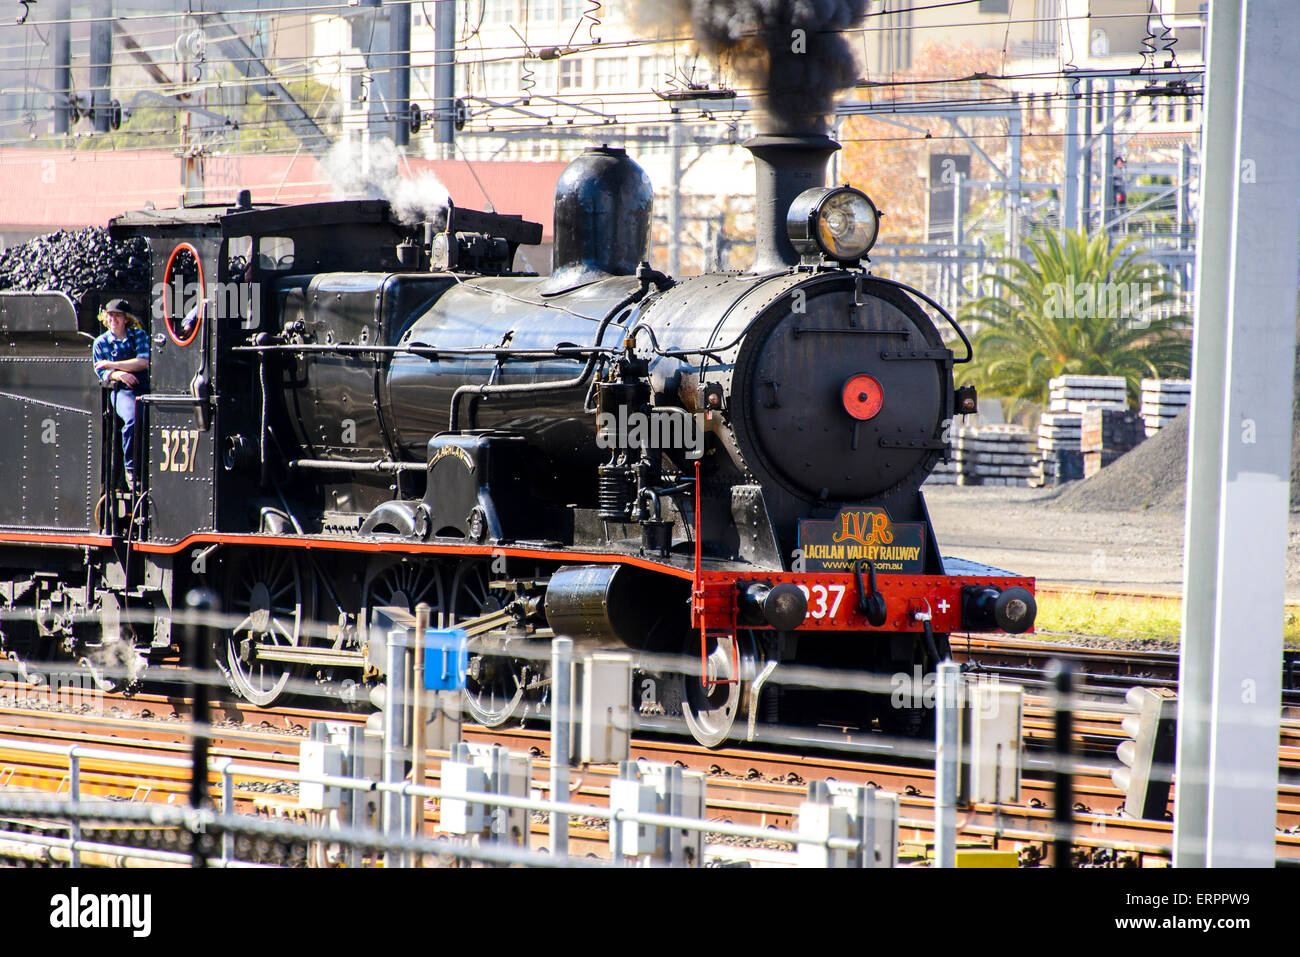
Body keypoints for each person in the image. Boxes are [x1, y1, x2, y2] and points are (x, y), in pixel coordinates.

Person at [92, 298, 150, 489]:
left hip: (144, 387)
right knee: (132, 419)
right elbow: (102, 373)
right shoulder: (100, 343)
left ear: (126, 319)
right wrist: (120, 375)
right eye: (111, 316)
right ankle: (131, 469)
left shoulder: (139, 335)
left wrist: (112, 364)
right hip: (121, 391)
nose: (114, 319)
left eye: (118, 316)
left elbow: (144, 362)